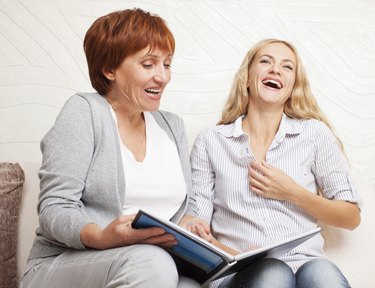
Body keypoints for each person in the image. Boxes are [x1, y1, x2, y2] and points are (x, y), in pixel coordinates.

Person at [20, 8, 200, 288]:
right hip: (67, 264)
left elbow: (186, 208)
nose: (162, 77)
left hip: (148, 266)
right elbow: (54, 208)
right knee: (153, 263)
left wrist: (190, 223)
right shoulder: (85, 112)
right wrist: (102, 236)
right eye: (149, 64)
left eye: (167, 64)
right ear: (110, 69)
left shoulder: (172, 126)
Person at [182, 39, 362, 288]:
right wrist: (240, 255)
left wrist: (291, 192)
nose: (275, 70)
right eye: (265, 61)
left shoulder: (314, 134)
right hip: (238, 271)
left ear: (293, 86)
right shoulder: (211, 141)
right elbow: (198, 229)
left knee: (324, 274)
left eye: (287, 67)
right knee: (272, 272)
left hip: (305, 262)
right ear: (247, 78)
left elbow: (350, 217)